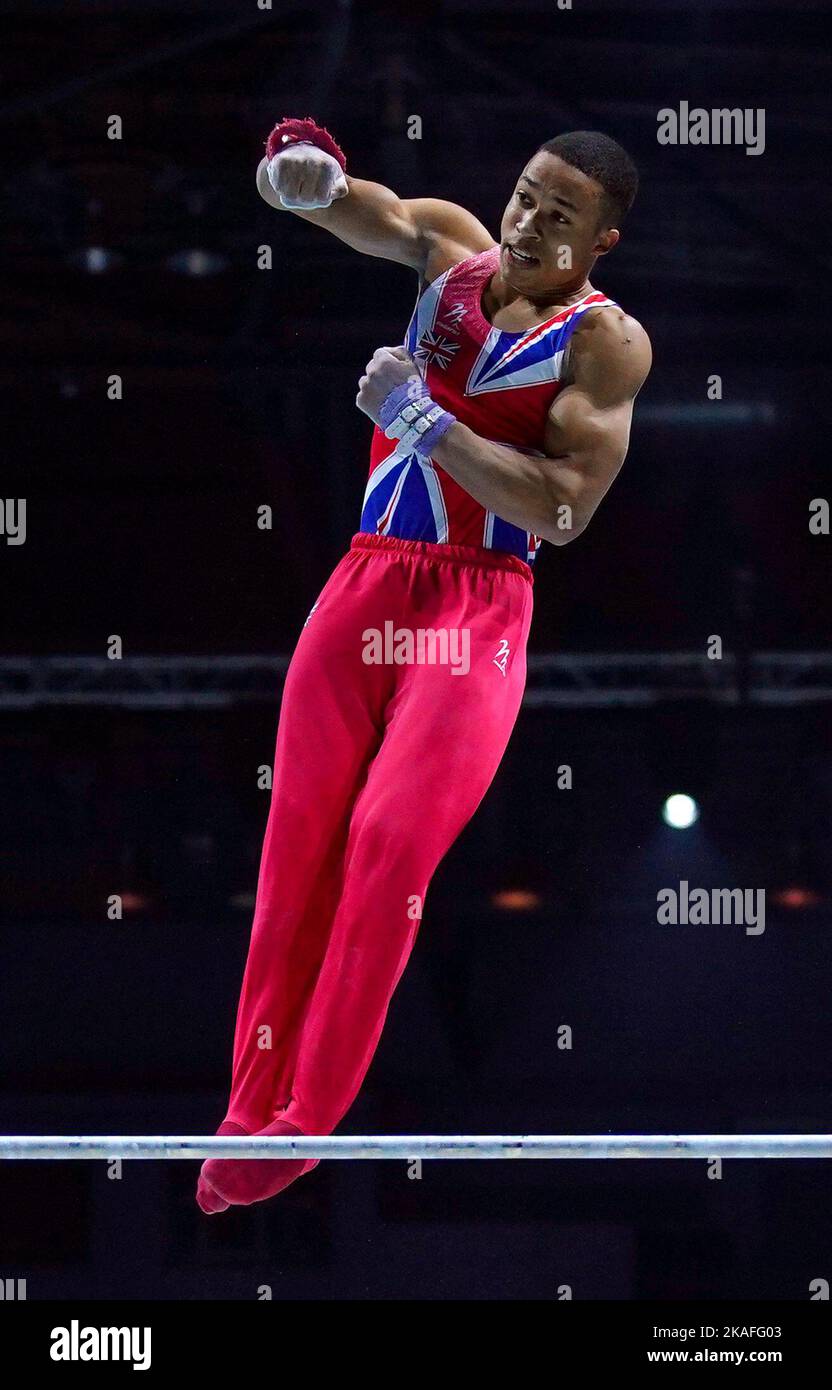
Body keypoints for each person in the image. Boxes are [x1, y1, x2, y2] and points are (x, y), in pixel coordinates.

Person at [196, 116, 652, 1213]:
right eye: (528, 194)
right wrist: (300, 183)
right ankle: (242, 1113)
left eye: (561, 214)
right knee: (295, 853)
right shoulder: (451, 250)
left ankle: (305, 1122)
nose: (530, 219)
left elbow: (560, 508)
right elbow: (370, 212)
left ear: (603, 243)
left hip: (474, 610)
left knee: (389, 842)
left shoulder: (607, 344)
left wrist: (423, 422)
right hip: (361, 590)